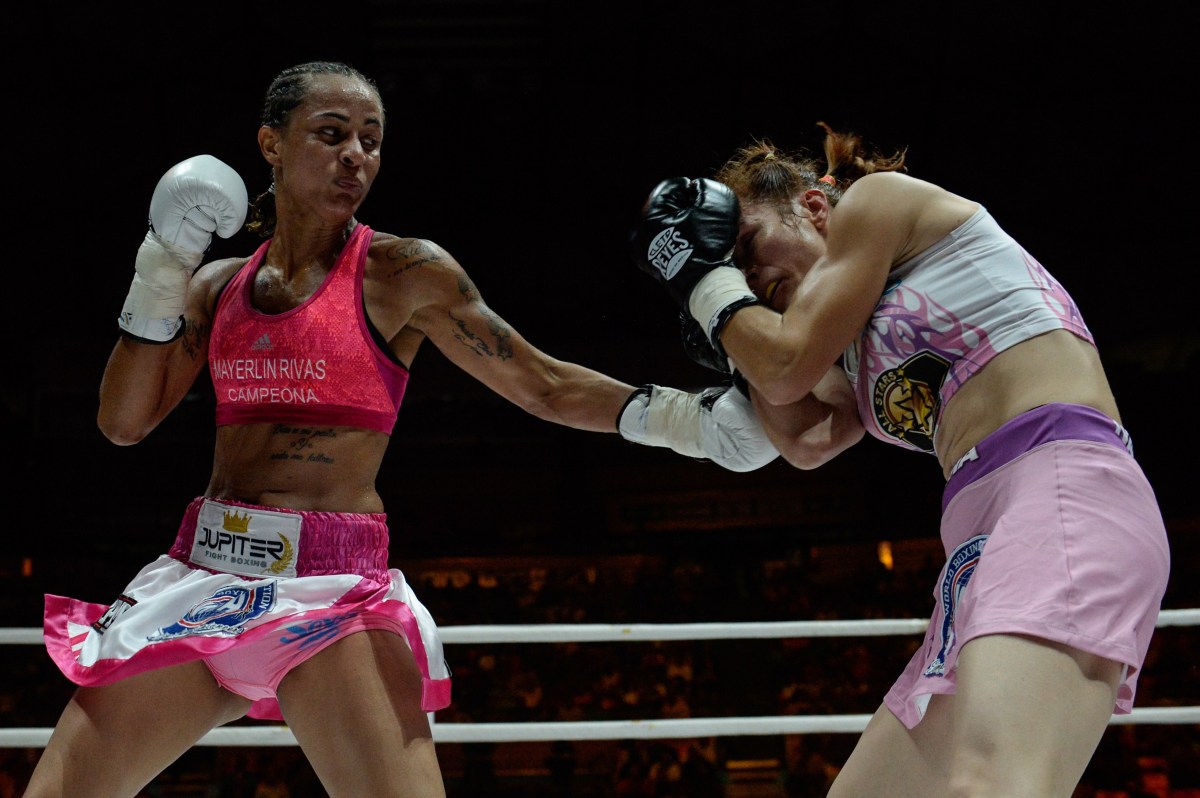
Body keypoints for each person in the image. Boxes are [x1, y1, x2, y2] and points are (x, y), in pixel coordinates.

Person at [25, 60, 780, 798]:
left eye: (371, 139)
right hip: (202, 577)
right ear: (271, 144)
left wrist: (694, 423)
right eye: (330, 133)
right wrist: (161, 262)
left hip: (330, 597)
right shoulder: (217, 285)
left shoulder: (403, 273)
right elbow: (123, 423)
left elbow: (541, 383)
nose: (356, 154)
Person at [629, 122, 1171, 797]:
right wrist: (726, 323)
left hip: (1062, 485)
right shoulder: (848, 352)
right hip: (979, 539)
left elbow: (788, 364)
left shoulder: (879, 202)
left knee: (993, 784)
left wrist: (707, 284)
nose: (752, 275)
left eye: (748, 246)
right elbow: (804, 439)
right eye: (736, 270)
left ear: (814, 208)